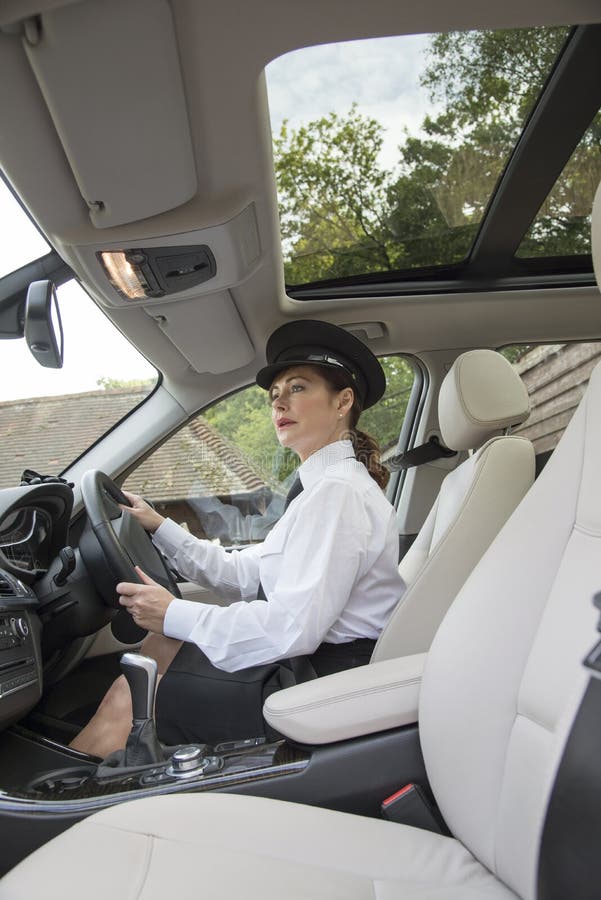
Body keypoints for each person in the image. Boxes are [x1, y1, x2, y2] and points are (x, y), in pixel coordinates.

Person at [71, 320, 404, 756]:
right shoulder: (322, 489)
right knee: (162, 643)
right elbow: (247, 573)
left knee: (128, 695)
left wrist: (173, 611)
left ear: (343, 401)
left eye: (297, 387)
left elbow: (292, 627)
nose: (279, 402)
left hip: (319, 682)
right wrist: (160, 527)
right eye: (274, 395)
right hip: (308, 662)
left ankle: (61, 793)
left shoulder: (338, 494)